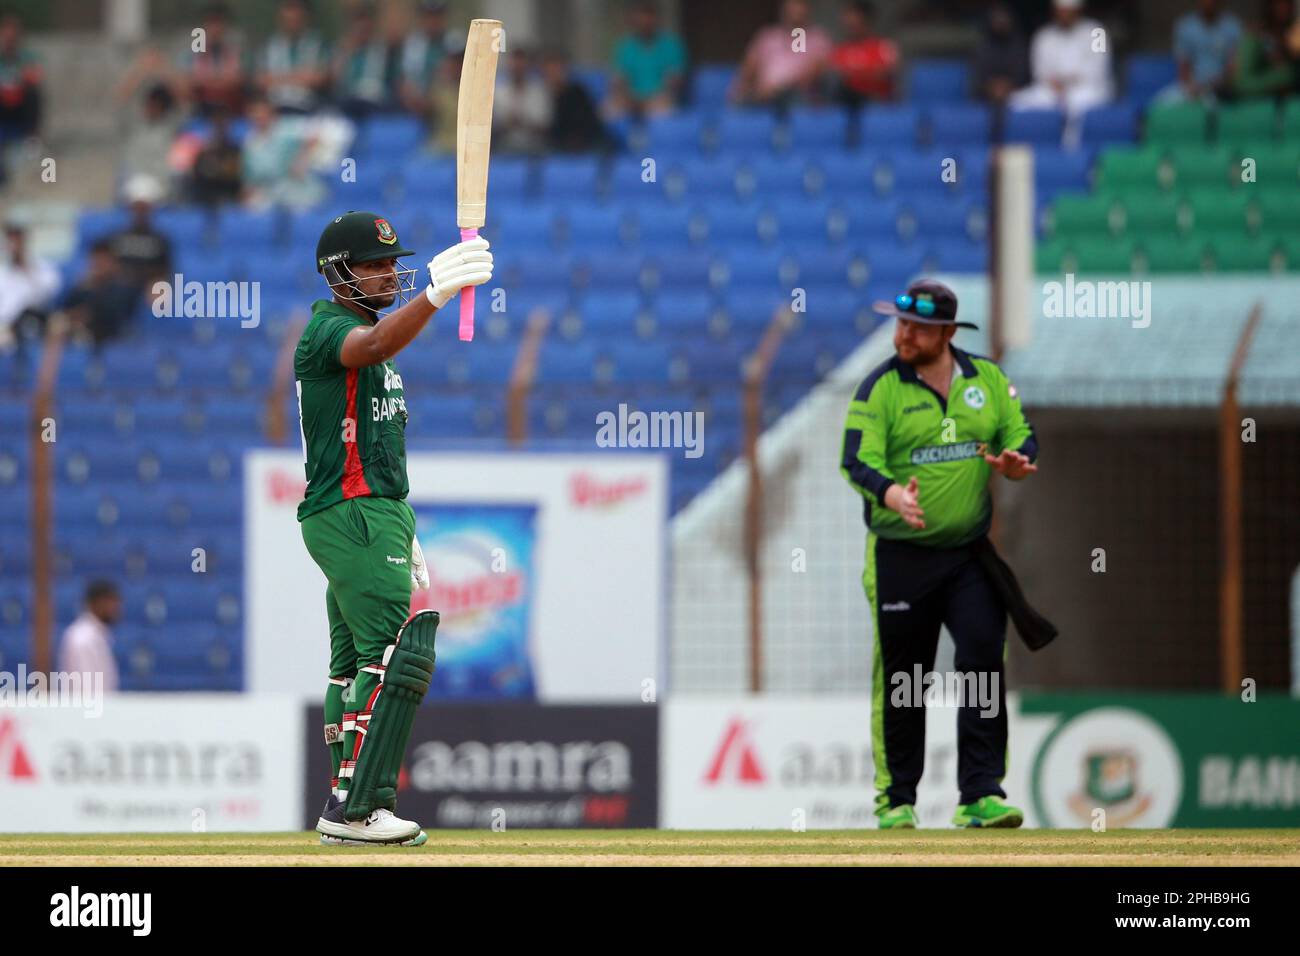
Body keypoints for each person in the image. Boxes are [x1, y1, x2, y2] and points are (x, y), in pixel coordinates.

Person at [298, 211, 493, 845]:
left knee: (352, 663)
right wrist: (437, 294)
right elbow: (373, 348)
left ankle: (343, 801)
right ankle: (359, 809)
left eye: (391, 262)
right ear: (338, 272)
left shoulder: (363, 327)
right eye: (374, 263)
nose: (388, 272)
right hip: (352, 508)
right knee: (392, 658)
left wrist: (399, 520)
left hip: (371, 509)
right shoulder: (329, 329)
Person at [839, 280, 1040, 830]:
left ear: (948, 333)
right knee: (905, 678)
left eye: (918, 328)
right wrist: (893, 495)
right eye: (901, 324)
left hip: (968, 557)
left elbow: (1019, 432)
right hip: (899, 558)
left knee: (981, 661)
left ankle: (979, 794)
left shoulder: (988, 380)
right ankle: (897, 799)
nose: (904, 335)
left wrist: (1018, 459)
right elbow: (856, 461)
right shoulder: (879, 389)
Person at [1009, 0, 1113, 141]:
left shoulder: (1097, 32)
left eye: (1067, 11)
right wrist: (1055, 84)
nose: (1063, 15)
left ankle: (1071, 150)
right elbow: (1039, 72)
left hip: (1088, 90)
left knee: (1076, 103)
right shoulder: (1043, 35)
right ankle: (1032, 143)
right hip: (1053, 90)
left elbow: (1098, 70)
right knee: (1016, 102)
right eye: (1060, 11)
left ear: (1077, 10)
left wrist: (1068, 83)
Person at [731, 0, 834, 106]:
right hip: (763, 94)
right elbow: (748, 69)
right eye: (791, 7)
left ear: (807, 10)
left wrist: (778, 89)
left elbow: (812, 73)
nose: (795, 12)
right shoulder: (767, 36)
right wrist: (747, 88)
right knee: (741, 102)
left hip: (799, 95)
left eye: (799, 7)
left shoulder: (818, 38)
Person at [606, 0, 687, 118]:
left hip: (659, 100)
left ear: (656, 19)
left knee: (663, 112)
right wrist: (626, 96)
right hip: (630, 100)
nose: (644, 22)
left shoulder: (672, 45)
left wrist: (652, 99)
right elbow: (618, 80)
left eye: (648, 17)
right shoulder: (624, 46)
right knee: (607, 112)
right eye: (640, 18)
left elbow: (674, 82)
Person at [241, 95, 325, 209]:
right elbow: (249, 176)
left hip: (294, 186)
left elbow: (314, 137)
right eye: (254, 114)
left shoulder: (288, 128)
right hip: (266, 192)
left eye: (261, 113)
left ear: (271, 113)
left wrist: (301, 161)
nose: (258, 117)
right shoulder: (249, 141)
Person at [1158, 0, 1243, 103]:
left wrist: (1221, 84)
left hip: (1224, 88)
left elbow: (1234, 65)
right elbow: (1183, 67)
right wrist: (1192, 87)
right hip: (1192, 87)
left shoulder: (1232, 26)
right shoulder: (1185, 26)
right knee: (1162, 102)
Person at [61, 238, 140, 347]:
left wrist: (87, 313)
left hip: (112, 336)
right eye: (96, 261)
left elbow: (113, 311)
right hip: (79, 332)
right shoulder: (84, 287)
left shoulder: (125, 286)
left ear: (114, 262)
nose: (99, 266)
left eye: (103, 261)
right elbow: (68, 307)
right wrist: (85, 287)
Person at [108, 175, 174, 300]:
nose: (140, 212)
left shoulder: (160, 240)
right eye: (136, 208)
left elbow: (164, 270)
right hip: (119, 287)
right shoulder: (117, 237)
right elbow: (110, 265)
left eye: (144, 208)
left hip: (147, 287)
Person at [259, 0, 330, 114]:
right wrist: (300, 77)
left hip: (308, 108)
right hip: (275, 109)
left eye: (296, 20)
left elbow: (320, 79)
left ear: (305, 18)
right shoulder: (270, 45)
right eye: (288, 20)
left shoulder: (317, 44)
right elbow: (261, 80)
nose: (292, 23)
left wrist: (278, 78)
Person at [0, 220, 60, 350]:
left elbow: (49, 292)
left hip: (33, 323)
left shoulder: (42, 268)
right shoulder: (2, 273)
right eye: (11, 240)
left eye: (18, 240)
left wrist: (26, 269)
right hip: (5, 327)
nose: (14, 245)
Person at [182, 1, 248, 117]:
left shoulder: (237, 49)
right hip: (202, 111)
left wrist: (207, 81)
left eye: (218, 23)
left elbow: (238, 80)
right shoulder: (194, 51)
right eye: (211, 23)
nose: (215, 29)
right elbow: (188, 83)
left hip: (231, 112)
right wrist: (220, 81)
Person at [56, 581, 122, 694]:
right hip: (87, 708)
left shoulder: (96, 635)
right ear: (97, 603)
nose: (116, 608)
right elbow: (85, 689)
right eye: (111, 602)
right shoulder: (83, 638)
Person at [829, 1, 900, 106]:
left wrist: (853, 75)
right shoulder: (840, 50)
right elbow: (834, 74)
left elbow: (884, 74)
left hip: (876, 102)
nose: (851, 29)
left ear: (867, 21)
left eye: (855, 24)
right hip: (846, 103)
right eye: (848, 25)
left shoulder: (883, 47)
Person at [332, 1, 391, 120]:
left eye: (365, 30)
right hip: (350, 100)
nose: (362, 34)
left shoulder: (381, 50)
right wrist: (344, 54)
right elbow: (334, 79)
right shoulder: (344, 50)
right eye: (359, 30)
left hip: (374, 100)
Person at [0, 10, 42, 178]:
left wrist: (16, 83)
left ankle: (33, 137)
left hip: (19, 107)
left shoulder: (27, 57)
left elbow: (34, 78)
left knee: (34, 94)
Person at [543, 49, 608, 153]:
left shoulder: (577, 93)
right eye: (550, 70)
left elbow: (589, 120)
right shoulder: (541, 94)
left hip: (583, 142)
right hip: (552, 145)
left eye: (557, 69)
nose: (554, 73)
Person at [1234, 0, 1300, 98]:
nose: (1284, 8)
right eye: (1279, 4)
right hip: (1260, 103)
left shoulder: (1294, 33)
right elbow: (1243, 83)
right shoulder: (1256, 37)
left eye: (1287, 3)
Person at [493, 48, 552, 155]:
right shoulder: (498, 91)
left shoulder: (539, 91)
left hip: (535, 146)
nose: (517, 69)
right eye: (514, 66)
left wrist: (524, 123)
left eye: (521, 66)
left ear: (527, 66)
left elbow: (546, 125)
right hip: (503, 146)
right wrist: (507, 123)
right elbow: (492, 126)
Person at [398, 0, 451, 116]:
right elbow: (405, 80)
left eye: (436, 16)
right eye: (429, 16)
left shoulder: (452, 44)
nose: (432, 21)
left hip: (443, 108)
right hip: (414, 107)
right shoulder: (412, 45)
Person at [973, 3, 1030, 109]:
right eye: (997, 21)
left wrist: (1007, 86)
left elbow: (1023, 75)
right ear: (991, 23)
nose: (1000, 25)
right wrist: (992, 87)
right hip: (985, 96)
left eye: (1003, 21)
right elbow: (977, 78)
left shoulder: (1018, 45)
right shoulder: (982, 47)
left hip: (1016, 94)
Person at [189, 108, 243, 206]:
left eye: (223, 124)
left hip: (229, 197)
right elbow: (197, 176)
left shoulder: (235, 151)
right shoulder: (203, 152)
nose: (220, 127)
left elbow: (236, 177)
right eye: (217, 124)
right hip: (206, 198)